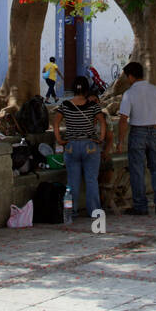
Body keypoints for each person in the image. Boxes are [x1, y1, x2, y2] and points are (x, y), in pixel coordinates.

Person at [53, 75, 110, 222]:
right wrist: (101, 139)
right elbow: (103, 122)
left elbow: (56, 122)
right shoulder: (93, 105)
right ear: (86, 90)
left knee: (72, 181)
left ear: (73, 89)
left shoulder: (65, 105)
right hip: (90, 146)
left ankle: (71, 212)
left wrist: (60, 139)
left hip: (71, 146)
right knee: (91, 180)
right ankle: (95, 212)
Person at [117, 61, 156, 216]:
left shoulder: (129, 94)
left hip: (138, 132)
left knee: (137, 170)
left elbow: (123, 119)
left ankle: (140, 205)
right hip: (154, 131)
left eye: (127, 77)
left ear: (131, 76)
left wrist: (120, 141)